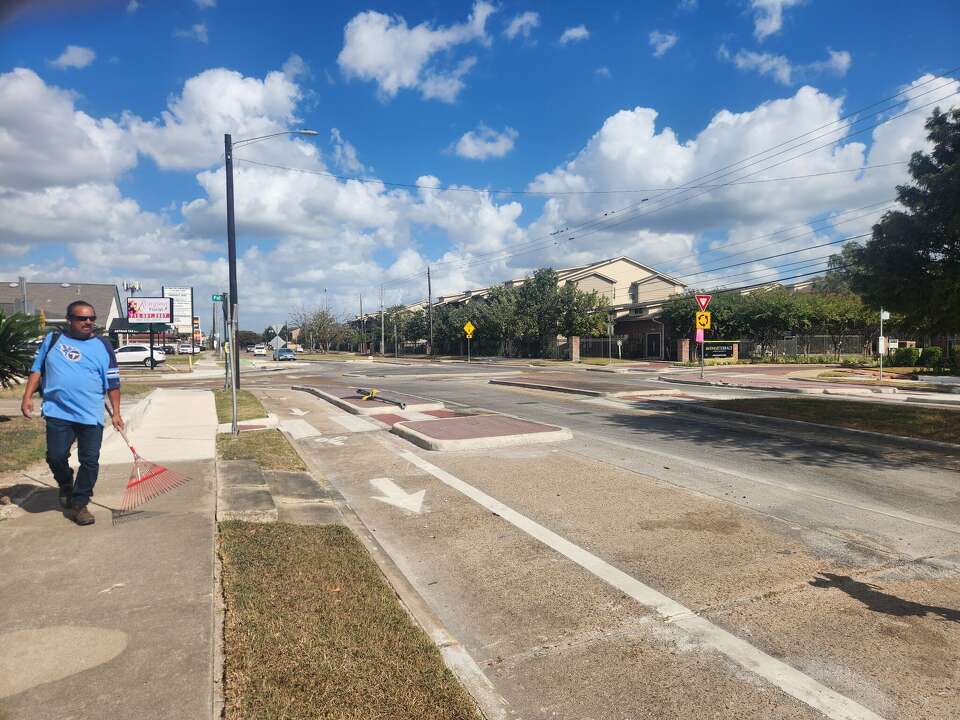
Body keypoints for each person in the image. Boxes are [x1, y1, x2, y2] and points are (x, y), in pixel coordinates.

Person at [20, 300, 123, 526]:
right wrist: (27, 396)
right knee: (56, 456)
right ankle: (66, 483)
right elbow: (37, 369)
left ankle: (80, 504)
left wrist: (116, 412)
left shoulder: (103, 345)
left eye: (91, 318)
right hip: (58, 411)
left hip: (90, 414)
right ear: (69, 320)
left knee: (90, 461)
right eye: (82, 318)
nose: (88, 322)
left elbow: (113, 382)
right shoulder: (53, 340)